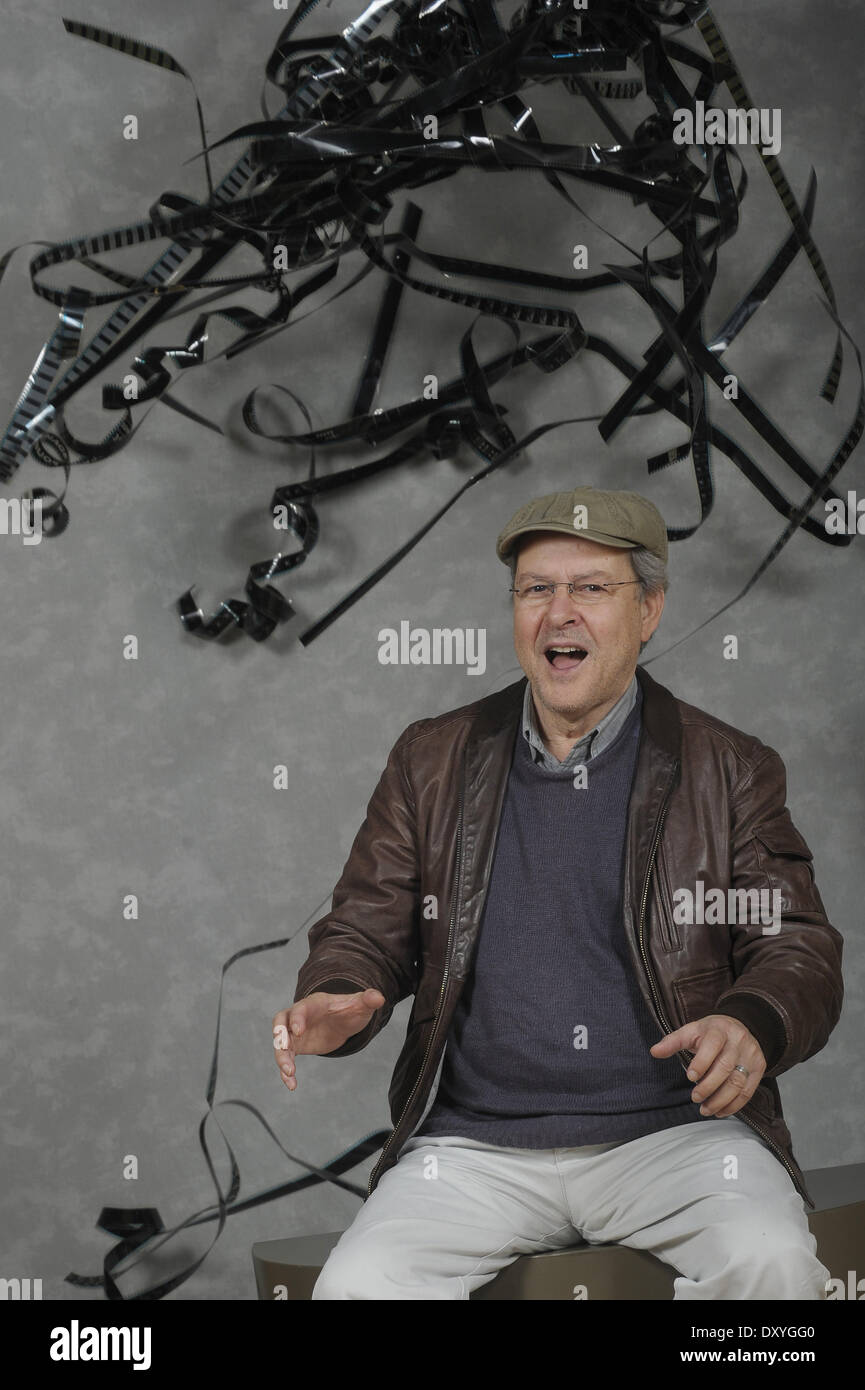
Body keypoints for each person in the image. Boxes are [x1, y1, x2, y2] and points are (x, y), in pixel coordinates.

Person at [272, 485, 843, 1300]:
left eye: (590, 589)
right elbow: (366, 926)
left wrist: (750, 1022)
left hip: (675, 1137)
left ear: (647, 611)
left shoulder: (730, 767)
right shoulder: (429, 758)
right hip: (474, 1148)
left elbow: (795, 944)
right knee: (358, 1287)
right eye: (537, 589)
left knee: (772, 1265)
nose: (558, 612)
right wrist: (335, 993)